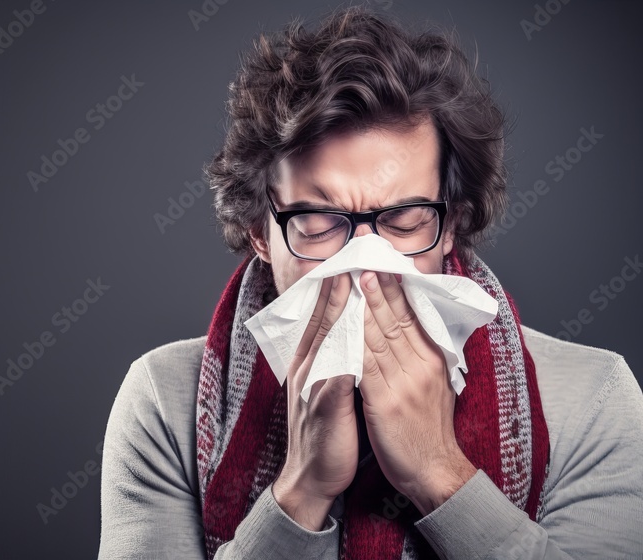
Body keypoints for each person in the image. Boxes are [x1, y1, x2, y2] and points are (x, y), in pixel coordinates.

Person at [98, 6, 643, 560]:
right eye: (318, 222)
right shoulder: (166, 404)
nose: (363, 263)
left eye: (404, 221)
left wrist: (439, 471)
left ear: (450, 223)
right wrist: (299, 492)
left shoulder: (590, 401)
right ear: (259, 232)